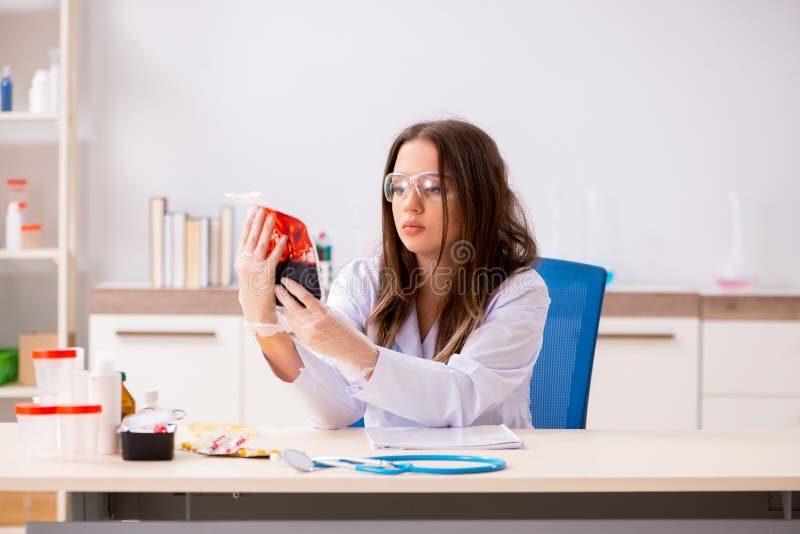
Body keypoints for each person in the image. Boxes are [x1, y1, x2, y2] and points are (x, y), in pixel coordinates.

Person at [235, 119, 550, 429]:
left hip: (493, 473)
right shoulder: (363, 280)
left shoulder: (519, 291)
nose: (410, 204)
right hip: (392, 475)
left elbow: (463, 399)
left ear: (479, 198)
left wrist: (351, 348)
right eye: (398, 187)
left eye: (434, 188)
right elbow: (336, 411)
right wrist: (264, 325)